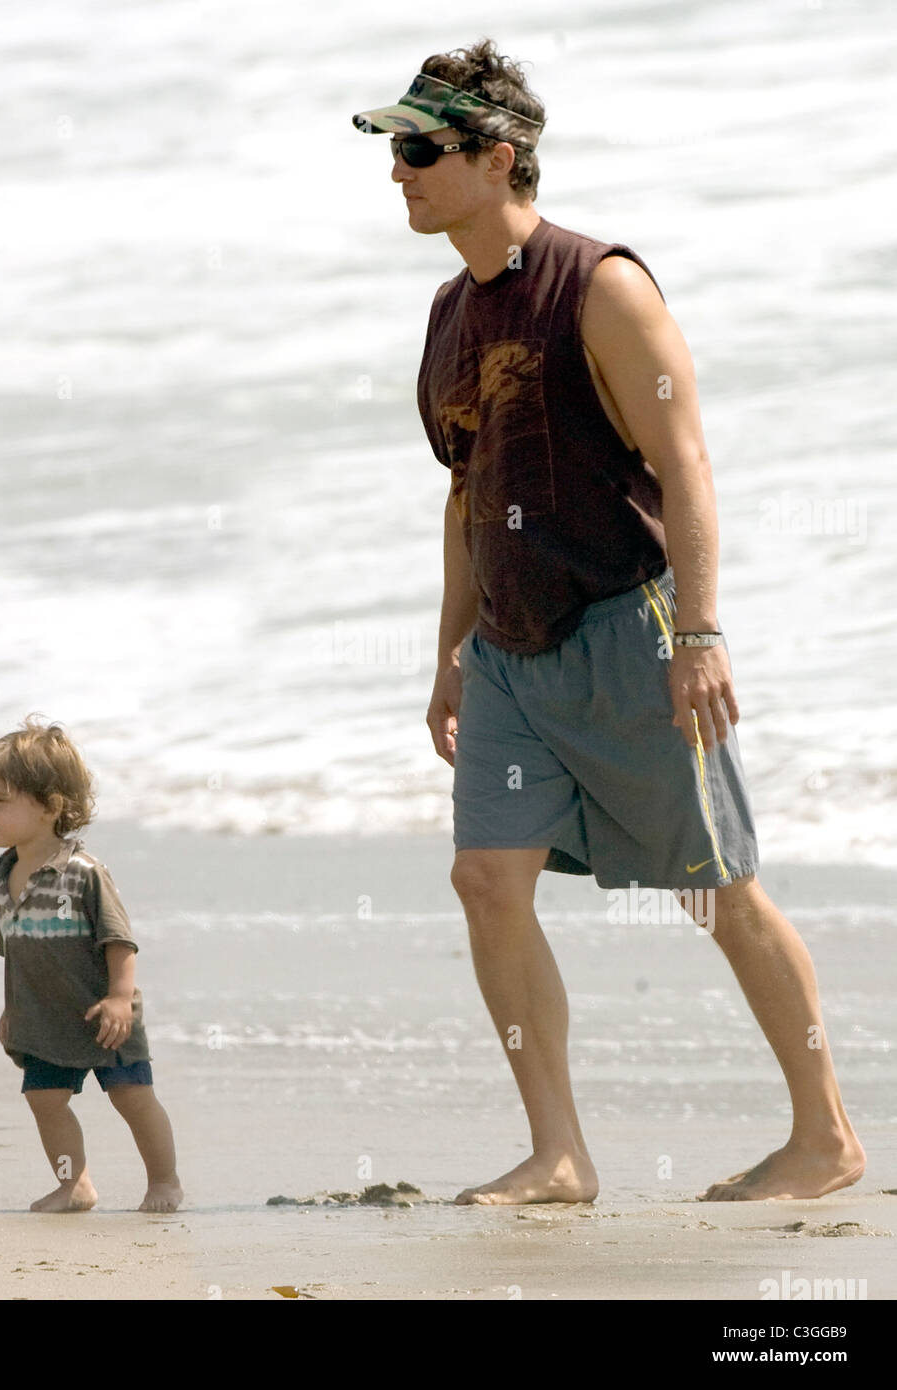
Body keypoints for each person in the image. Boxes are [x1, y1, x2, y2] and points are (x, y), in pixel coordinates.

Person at [352, 39, 864, 1204]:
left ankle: (825, 1136)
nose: (399, 172)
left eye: (422, 149)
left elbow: (686, 463)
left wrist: (700, 630)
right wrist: (447, 655)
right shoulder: (445, 314)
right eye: (394, 148)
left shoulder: (604, 285)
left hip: (627, 633)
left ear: (499, 157)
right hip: (509, 657)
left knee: (719, 891)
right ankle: (560, 1154)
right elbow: (463, 493)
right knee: (487, 878)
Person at [0, 717, 182, 1213]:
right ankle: (75, 1183)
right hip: (43, 1018)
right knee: (45, 1101)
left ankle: (165, 1180)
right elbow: (14, 955)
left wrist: (120, 998)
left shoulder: (83, 873)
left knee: (132, 1096)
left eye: (0, 800)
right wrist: (10, 1011)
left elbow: (119, 939)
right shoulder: (2, 879)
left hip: (105, 1014)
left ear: (51, 805)